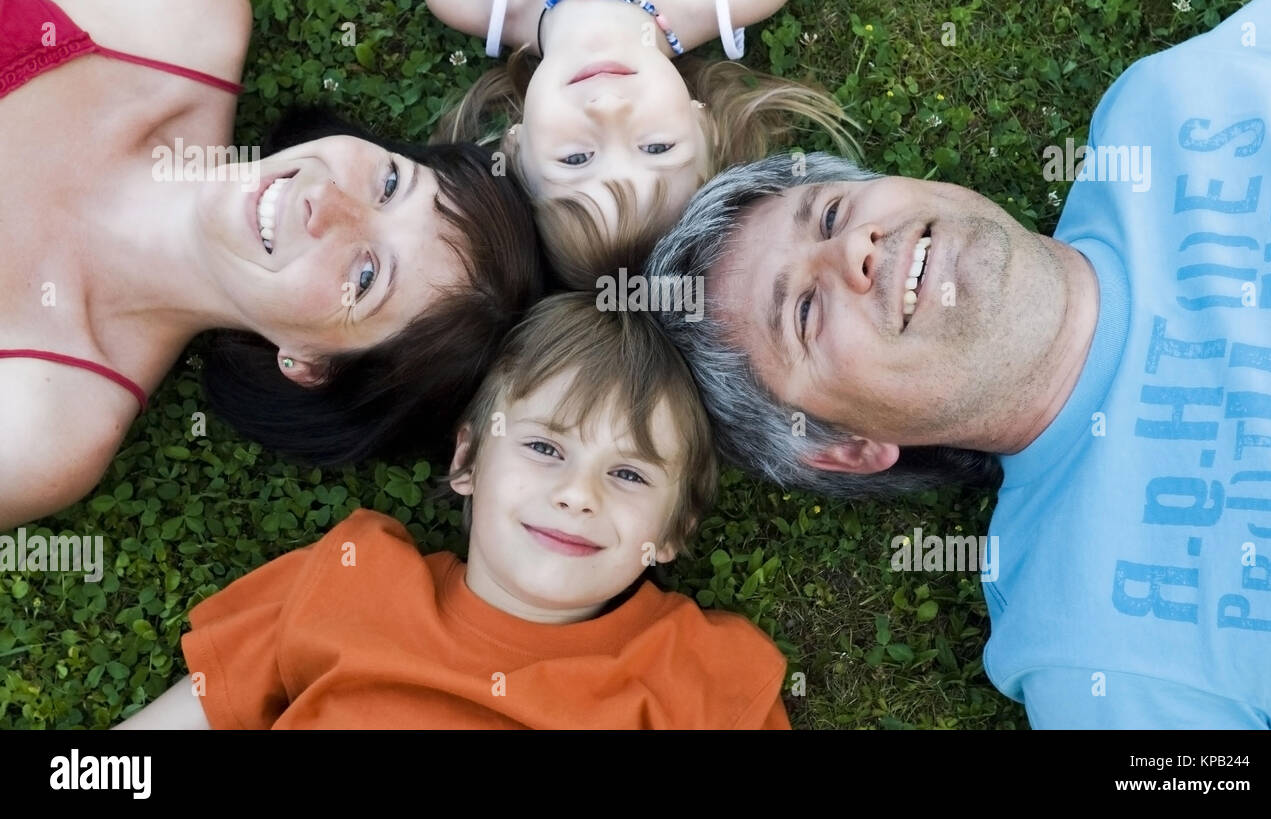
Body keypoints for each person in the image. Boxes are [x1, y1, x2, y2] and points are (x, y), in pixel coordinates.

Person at [645, 0, 1271, 728]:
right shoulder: (1099, 659)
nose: (854, 249)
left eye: (830, 212)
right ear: (848, 447)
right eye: (804, 311)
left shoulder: (1172, 108)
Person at [0, 0, 544, 529]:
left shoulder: (42, 426)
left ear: (308, 363)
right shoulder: (182, 13)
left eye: (366, 277)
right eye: (391, 183)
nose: (328, 202)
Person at [115, 293, 790, 729]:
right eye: (541, 445)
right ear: (466, 460)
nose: (579, 493)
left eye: (627, 472)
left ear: (675, 529)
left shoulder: (697, 673)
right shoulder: (352, 580)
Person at [412, 0, 859, 286]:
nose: (610, 109)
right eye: (657, 147)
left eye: (575, 159)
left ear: (514, 144)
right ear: (703, 123)